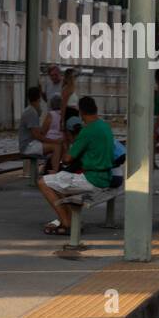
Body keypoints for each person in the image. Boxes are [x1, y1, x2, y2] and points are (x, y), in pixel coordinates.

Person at [38, 96, 114, 237]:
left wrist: (66, 142)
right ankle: (70, 221)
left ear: (82, 113)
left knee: (43, 183)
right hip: (105, 177)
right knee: (60, 183)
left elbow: (67, 159)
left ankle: (67, 224)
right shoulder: (104, 126)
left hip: (92, 179)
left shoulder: (87, 131)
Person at [18, 86, 47, 158]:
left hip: (29, 143)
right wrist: (53, 141)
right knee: (56, 147)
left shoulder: (30, 110)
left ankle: (47, 167)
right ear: (39, 98)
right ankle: (55, 169)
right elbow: (36, 135)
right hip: (28, 146)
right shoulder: (31, 112)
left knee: (52, 147)